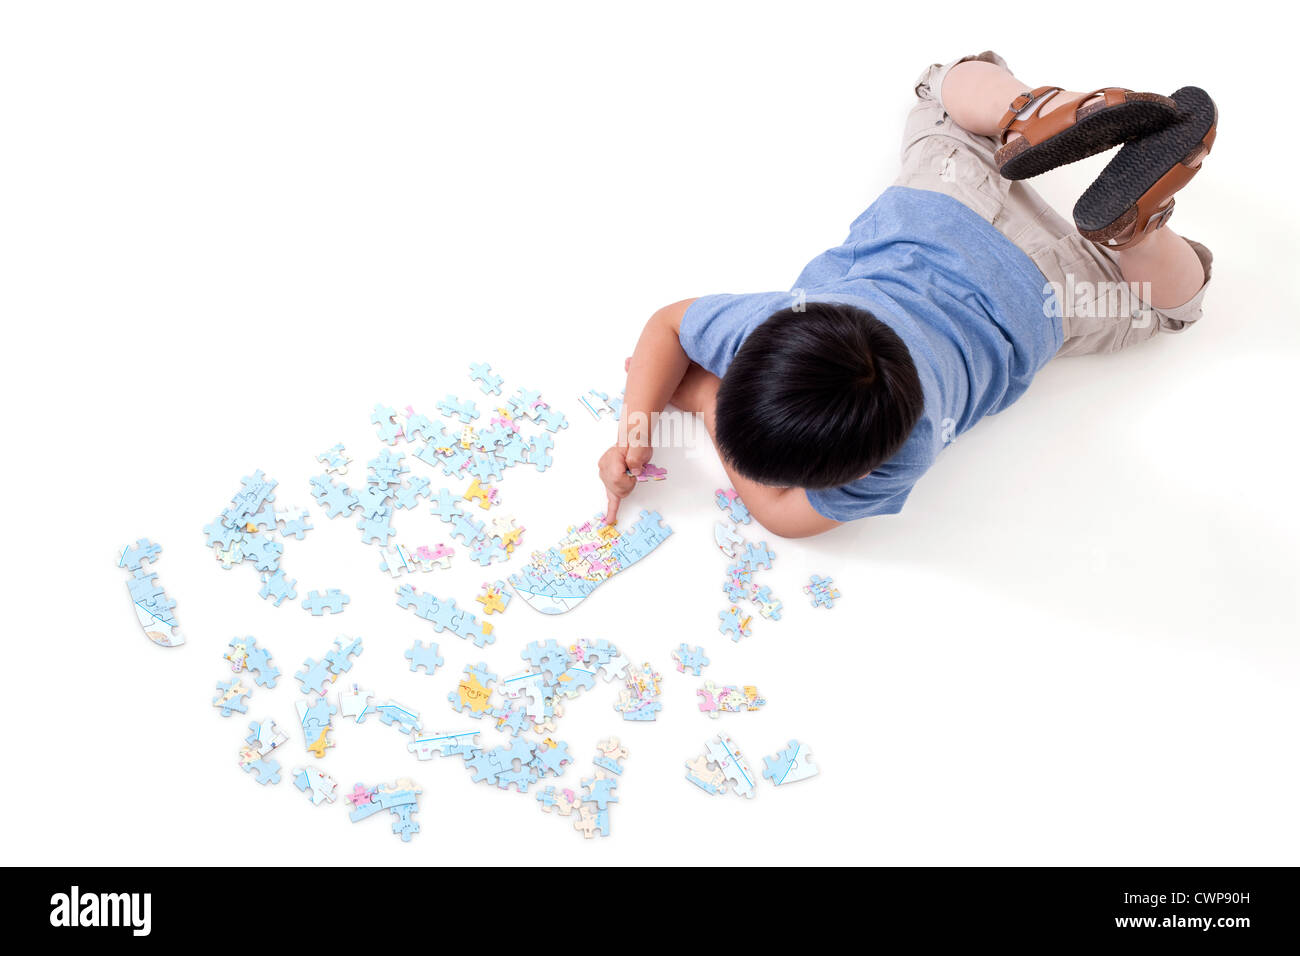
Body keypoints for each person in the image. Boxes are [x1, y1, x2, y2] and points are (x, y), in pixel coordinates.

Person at [598, 51, 1216, 537]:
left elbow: (784, 518)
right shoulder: (769, 319)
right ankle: (1031, 112)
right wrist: (642, 420)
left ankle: (1136, 235)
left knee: (1170, 308)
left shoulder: (902, 452)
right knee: (943, 85)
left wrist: (702, 397)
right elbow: (668, 324)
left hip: (1048, 291)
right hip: (948, 201)